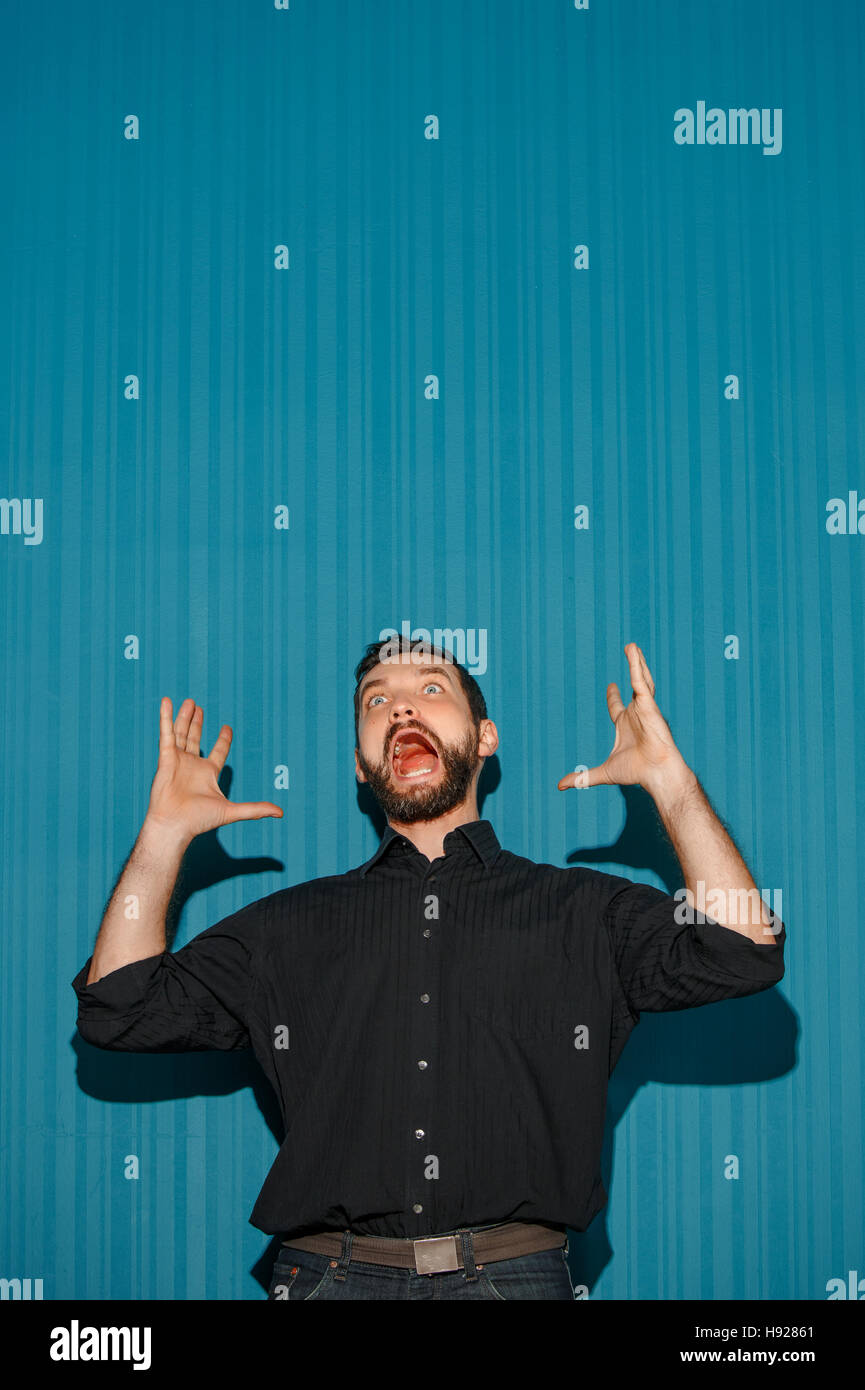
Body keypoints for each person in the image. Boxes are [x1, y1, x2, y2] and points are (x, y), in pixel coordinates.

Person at [72, 636, 786, 1301]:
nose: (401, 706)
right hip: (325, 1279)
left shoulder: (582, 910)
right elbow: (119, 1008)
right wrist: (163, 835)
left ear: (484, 738)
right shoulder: (283, 928)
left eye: (431, 688)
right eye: (376, 700)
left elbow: (741, 950)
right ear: (359, 762)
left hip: (516, 1278)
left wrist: (670, 784)